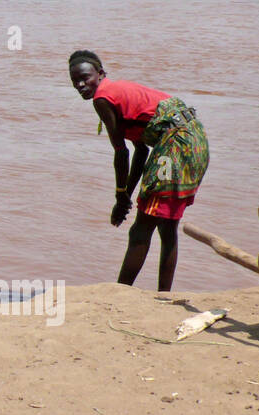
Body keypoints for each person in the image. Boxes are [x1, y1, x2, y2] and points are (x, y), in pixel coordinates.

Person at [68, 50, 209, 291]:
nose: (81, 85)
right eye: (75, 81)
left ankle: (120, 293)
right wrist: (124, 196)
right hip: (195, 141)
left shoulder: (102, 98)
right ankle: (164, 296)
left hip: (175, 145)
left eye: (85, 78)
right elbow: (141, 151)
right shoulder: (119, 92)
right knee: (166, 225)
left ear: (101, 74)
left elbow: (121, 152)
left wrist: (120, 197)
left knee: (141, 228)